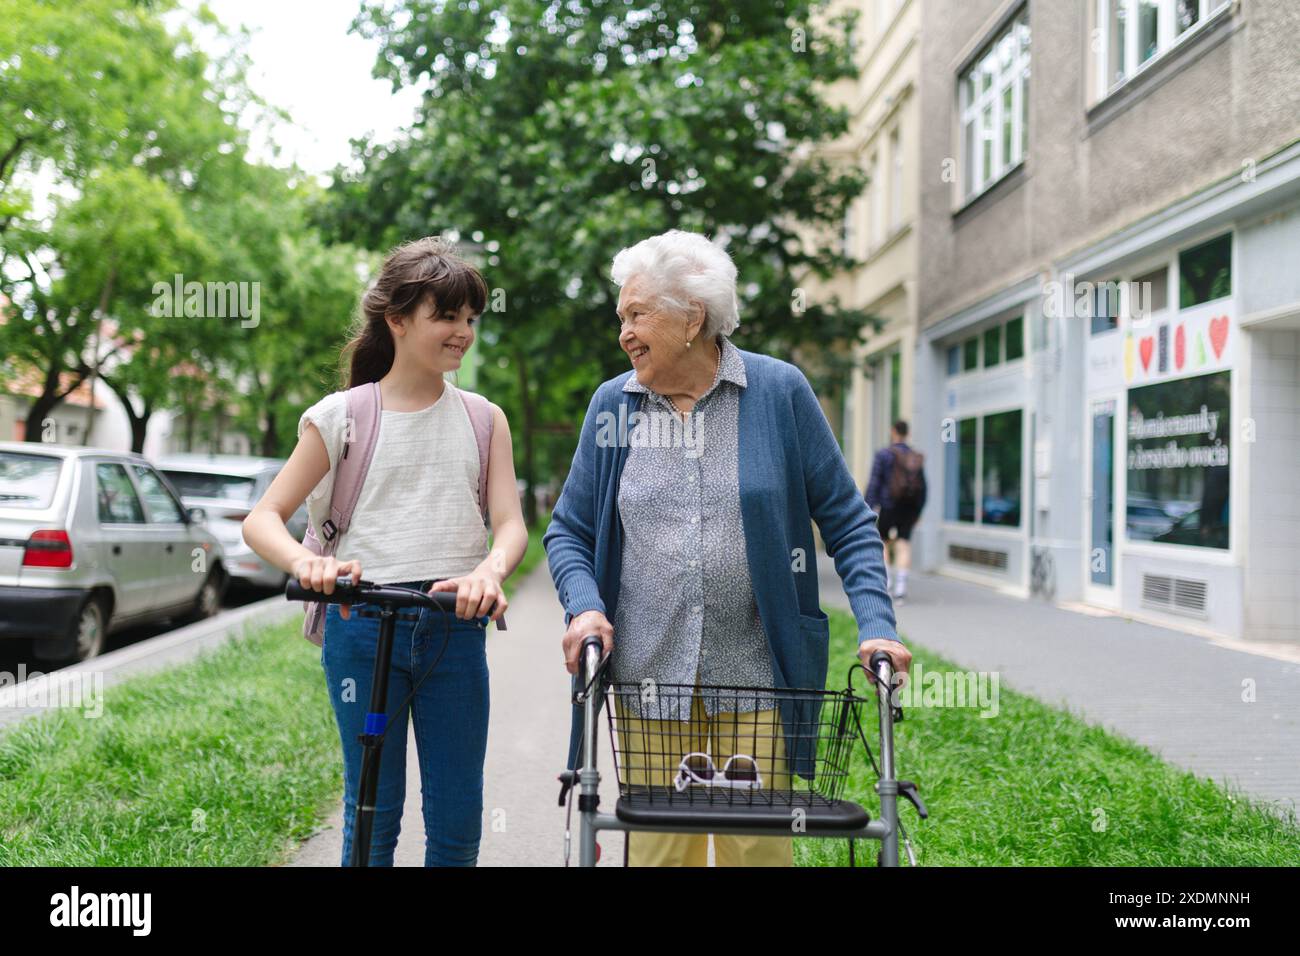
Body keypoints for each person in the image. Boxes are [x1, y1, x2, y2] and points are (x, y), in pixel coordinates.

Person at [544, 229, 910, 867]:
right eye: (621, 317)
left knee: (755, 855)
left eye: (637, 315)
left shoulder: (778, 393)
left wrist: (878, 626)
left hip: (760, 683)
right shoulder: (615, 406)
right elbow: (570, 530)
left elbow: (849, 521)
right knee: (661, 857)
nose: (624, 333)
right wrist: (584, 607)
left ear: (692, 318)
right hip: (648, 682)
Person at [242, 237, 528, 866]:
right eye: (446, 316)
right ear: (397, 320)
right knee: (371, 818)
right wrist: (304, 562)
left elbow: (510, 525)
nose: (462, 333)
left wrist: (491, 568)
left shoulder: (485, 419)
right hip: (361, 629)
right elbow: (263, 518)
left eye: (470, 319)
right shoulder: (341, 416)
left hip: (455, 629)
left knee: (457, 825)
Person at [864, 420, 927, 602]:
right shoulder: (914, 457)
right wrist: (919, 511)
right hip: (909, 507)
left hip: (888, 505)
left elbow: (874, 482)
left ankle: (888, 581)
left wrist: (868, 507)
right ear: (907, 433)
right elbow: (923, 488)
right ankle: (901, 588)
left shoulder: (884, 455)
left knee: (882, 541)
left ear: (893, 432)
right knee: (903, 543)